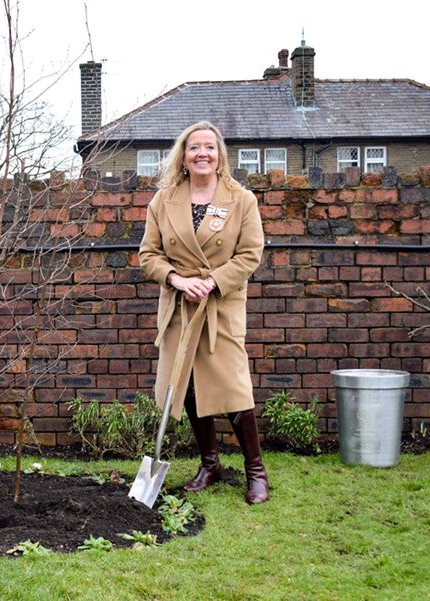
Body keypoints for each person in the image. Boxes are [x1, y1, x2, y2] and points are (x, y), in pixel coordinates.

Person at [138, 121, 269, 504]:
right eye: (194, 147)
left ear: (219, 155)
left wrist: (212, 282)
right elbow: (148, 255)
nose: (202, 154)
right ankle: (209, 463)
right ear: (183, 155)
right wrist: (177, 279)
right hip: (179, 306)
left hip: (220, 307)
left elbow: (250, 254)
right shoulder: (163, 200)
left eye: (209, 147)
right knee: (189, 387)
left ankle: (256, 472)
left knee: (233, 387)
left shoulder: (241, 199)